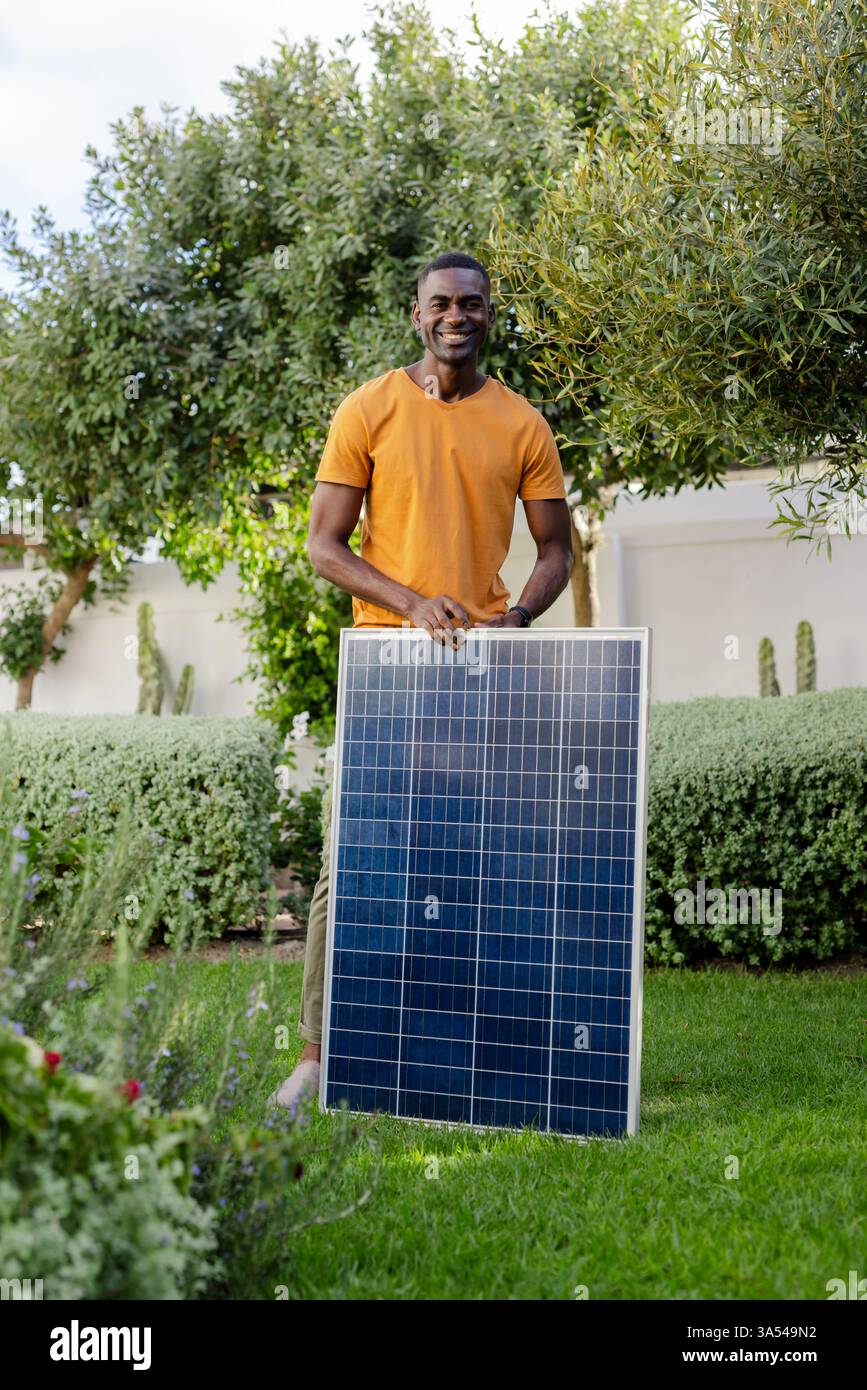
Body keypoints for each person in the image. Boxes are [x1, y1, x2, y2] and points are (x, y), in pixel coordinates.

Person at [268, 250, 573, 1109]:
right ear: (416, 315)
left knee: (480, 858)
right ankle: (318, 1058)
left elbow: (557, 550)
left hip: (483, 667)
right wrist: (409, 605)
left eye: (470, 303)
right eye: (440, 303)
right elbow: (324, 546)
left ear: (487, 314)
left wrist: (513, 621)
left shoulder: (523, 425)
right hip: (386, 666)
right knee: (353, 864)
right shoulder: (367, 408)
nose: (455, 315)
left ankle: (470, 1044)